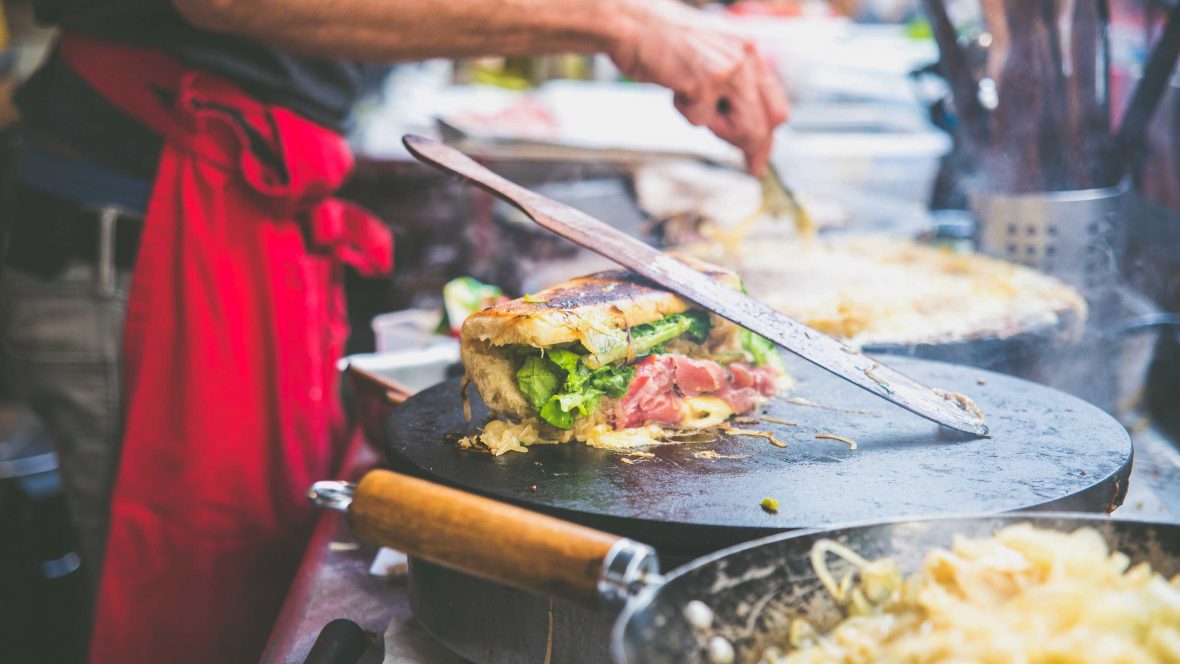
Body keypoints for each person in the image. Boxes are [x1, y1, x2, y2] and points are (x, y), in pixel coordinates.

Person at [2, 0, 788, 662]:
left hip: (228, 223)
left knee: (252, 581)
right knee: (188, 609)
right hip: (150, 242)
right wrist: (615, 23)